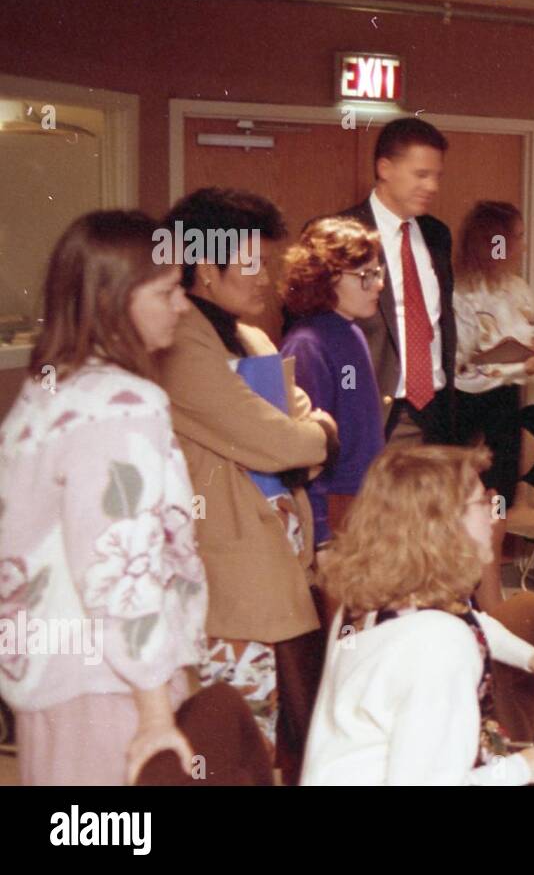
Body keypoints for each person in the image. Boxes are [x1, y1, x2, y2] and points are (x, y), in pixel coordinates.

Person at [0, 211, 207, 785]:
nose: (182, 306)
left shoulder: (51, 394)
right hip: (110, 685)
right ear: (116, 298)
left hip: (52, 674)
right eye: (167, 291)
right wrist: (156, 711)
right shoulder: (123, 403)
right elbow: (120, 568)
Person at [157, 188, 338, 760]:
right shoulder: (180, 339)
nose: (266, 278)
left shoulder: (250, 334)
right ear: (206, 267)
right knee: (240, 730)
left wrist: (309, 438)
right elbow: (274, 438)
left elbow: (300, 419)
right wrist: (317, 440)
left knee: (284, 723)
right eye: (252, 263)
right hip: (229, 567)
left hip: (278, 557)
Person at [301, 444, 534, 785]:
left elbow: (471, 622)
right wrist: (525, 768)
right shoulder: (439, 645)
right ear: (442, 526)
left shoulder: (373, 598)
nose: (494, 515)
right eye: (482, 503)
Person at [452, 201, 534, 611]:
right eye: (516, 236)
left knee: (499, 505)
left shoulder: (515, 286)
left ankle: (489, 593)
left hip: (503, 407)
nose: (521, 244)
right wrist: (517, 364)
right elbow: (458, 364)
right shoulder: (457, 291)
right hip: (465, 408)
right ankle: (475, 596)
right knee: (468, 507)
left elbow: (526, 330)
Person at [334, 117, 458, 446]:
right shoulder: (341, 232)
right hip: (372, 411)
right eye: (421, 175)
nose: (432, 187)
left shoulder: (437, 235)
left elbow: (441, 321)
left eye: (437, 176)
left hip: (435, 411)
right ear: (385, 168)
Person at [279, 217, 387, 550]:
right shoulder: (308, 344)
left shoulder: (352, 331)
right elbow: (308, 454)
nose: (379, 284)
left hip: (365, 500)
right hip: (336, 512)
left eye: (378, 271)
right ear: (326, 279)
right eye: (366, 276)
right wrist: (321, 537)